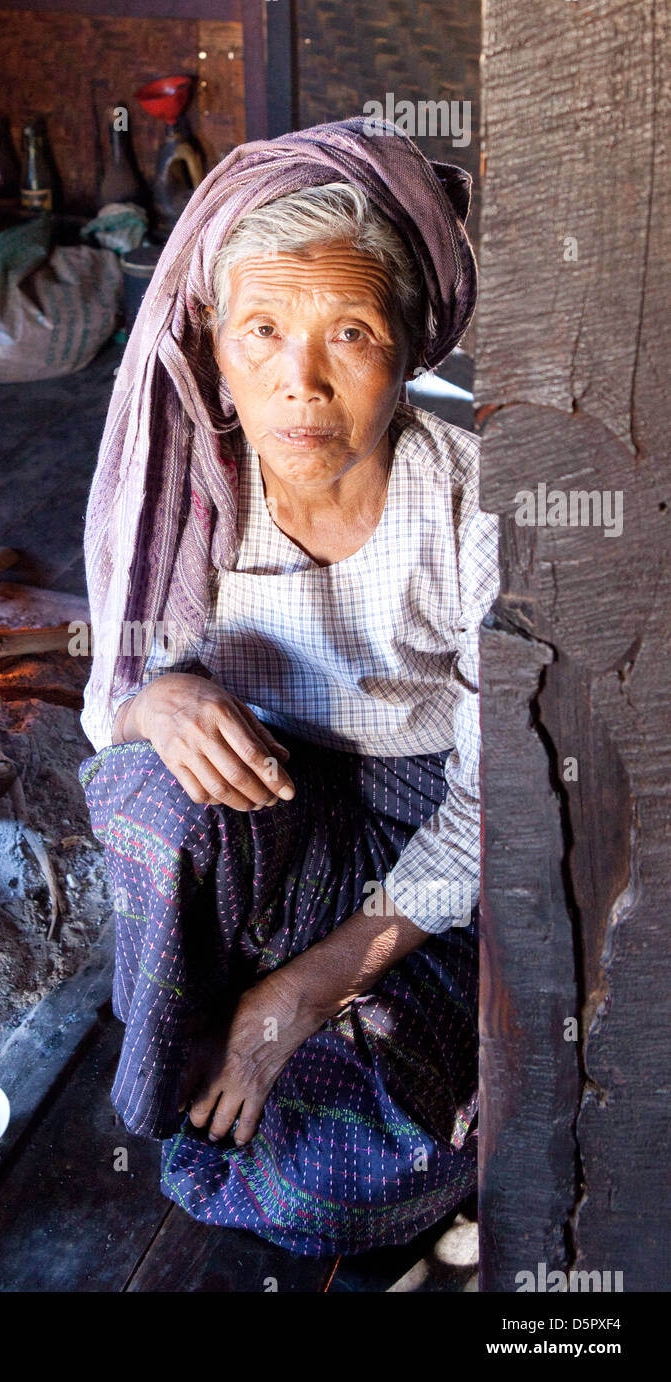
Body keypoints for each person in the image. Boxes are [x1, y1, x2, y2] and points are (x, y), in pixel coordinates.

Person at [77, 118, 497, 1257]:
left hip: (435, 850)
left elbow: (490, 809)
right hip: (282, 807)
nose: (297, 383)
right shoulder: (189, 488)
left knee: (330, 1182)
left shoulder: (469, 505)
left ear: (406, 350)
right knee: (139, 794)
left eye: (347, 332)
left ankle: (297, 1032)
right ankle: (188, 1058)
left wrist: (307, 989)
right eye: (260, 330)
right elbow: (105, 702)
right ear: (213, 348)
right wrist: (148, 702)